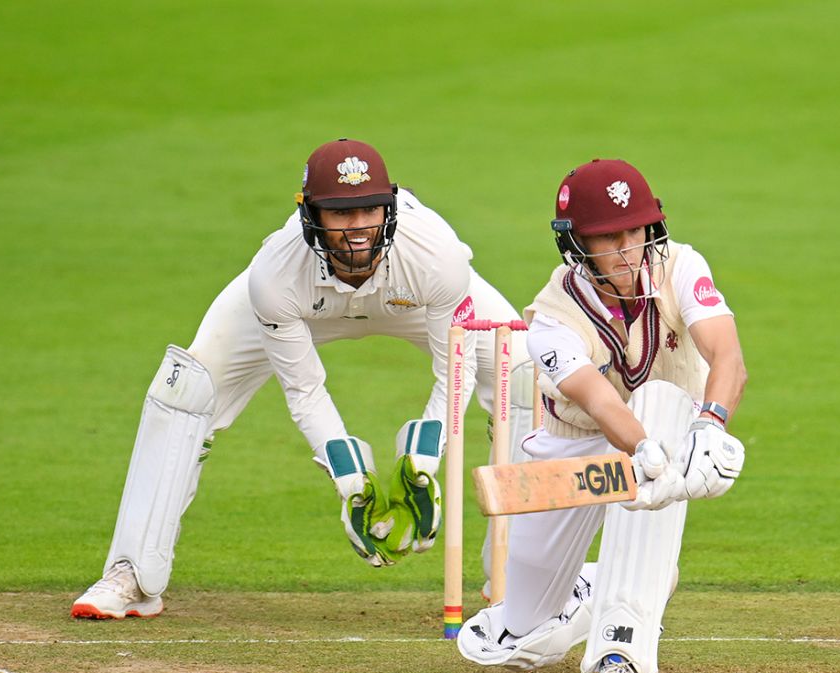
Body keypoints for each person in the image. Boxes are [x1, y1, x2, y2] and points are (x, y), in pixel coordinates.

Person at [72, 138, 531, 619]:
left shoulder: (436, 256)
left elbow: (453, 371)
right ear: (311, 214)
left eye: (369, 210)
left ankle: (517, 572)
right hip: (305, 300)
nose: (358, 229)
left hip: (411, 295)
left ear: (390, 208)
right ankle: (130, 574)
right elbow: (304, 388)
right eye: (340, 214)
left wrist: (422, 459)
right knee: (186, 388)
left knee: (524, 375)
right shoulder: (274, 274)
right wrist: (349, 476)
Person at [457, 158, 748, 673]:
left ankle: (622, 662)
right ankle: (591, 587)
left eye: (634, 232)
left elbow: (727, 356)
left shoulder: (682, 267)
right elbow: (600, 401)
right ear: (576, 244)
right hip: (579, 448)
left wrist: (710, 427)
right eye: (606, 237)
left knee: (662, 403)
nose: (626, 248)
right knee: (525, 635)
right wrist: (646, 453)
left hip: (667, 429)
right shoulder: (551, 318)